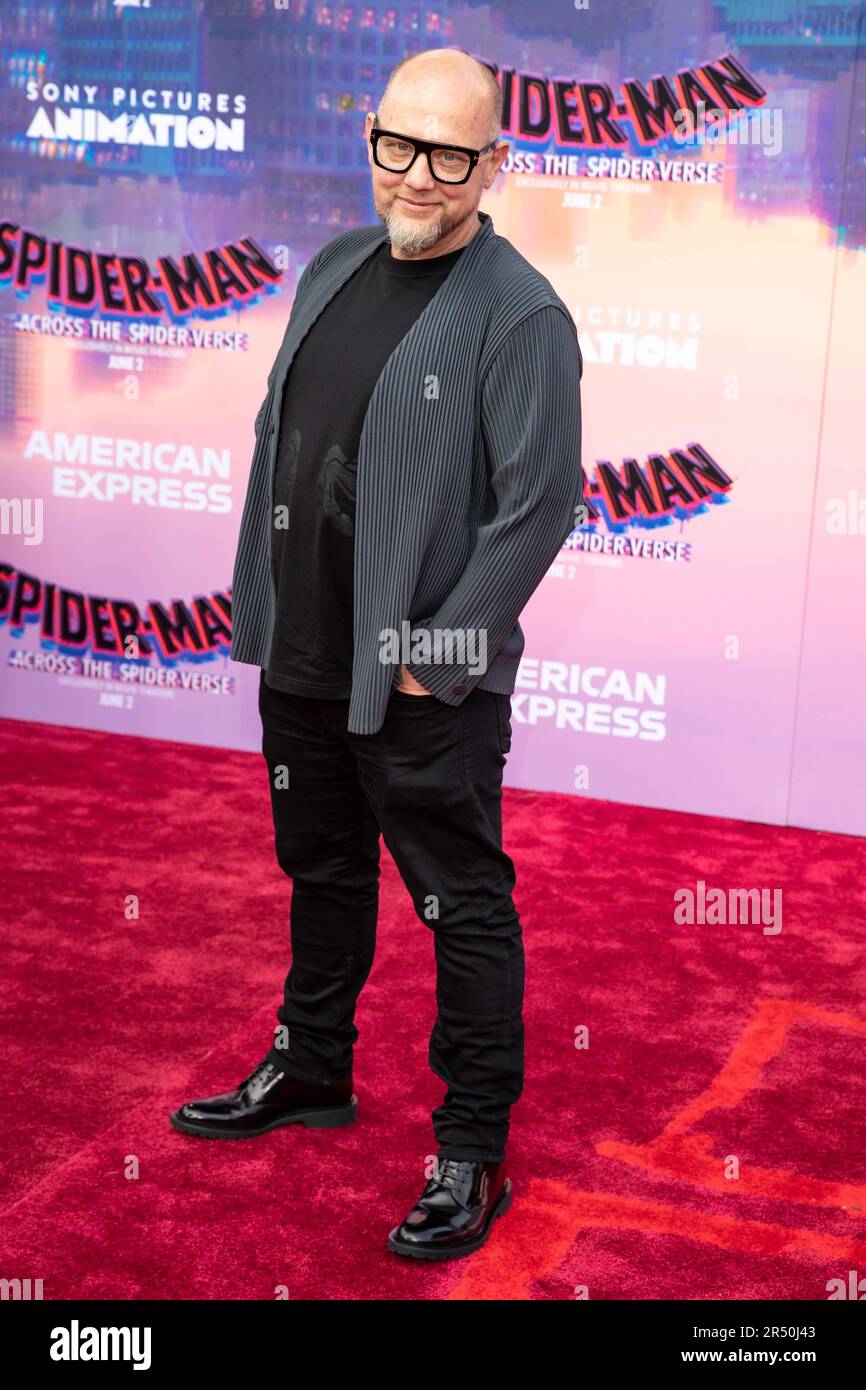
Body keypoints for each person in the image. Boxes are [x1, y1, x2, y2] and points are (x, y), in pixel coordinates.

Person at [171, 46, 583, 1261]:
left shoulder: (520, 315)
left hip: (421, 684)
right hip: (303, 652)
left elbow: (537, 508)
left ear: (491, 162)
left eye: (449, 155)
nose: (415, 176)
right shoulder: (334, 264)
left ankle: (470, 1146)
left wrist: (431, 660)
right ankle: (312, 1065)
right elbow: (283, 440)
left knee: (460, 904)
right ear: (369, 135)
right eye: (397, 145)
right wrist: (265, 606)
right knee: (321, 868)